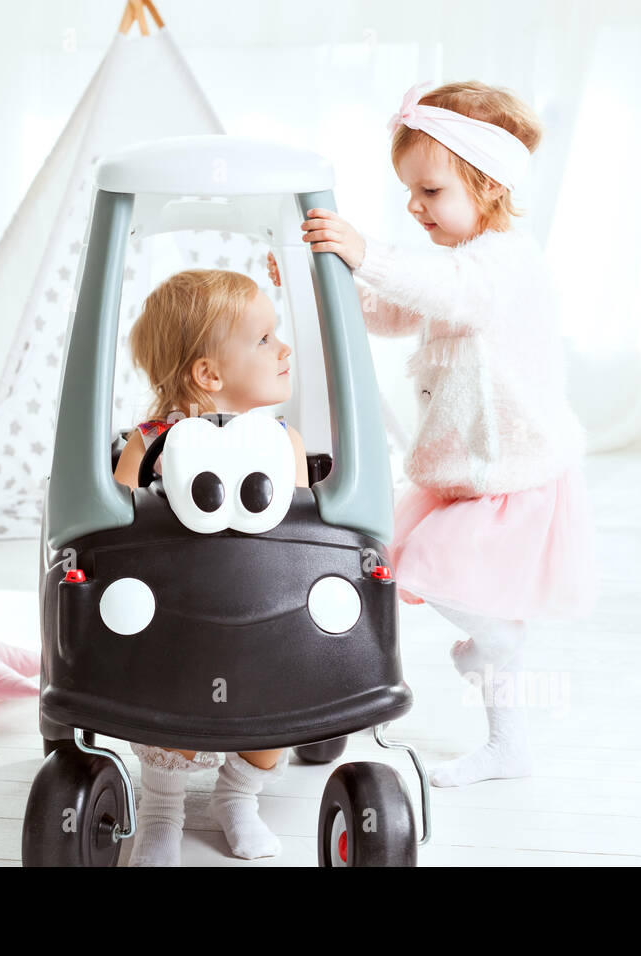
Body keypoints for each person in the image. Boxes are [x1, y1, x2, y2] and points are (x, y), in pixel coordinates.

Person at [268, 80, 598, 788]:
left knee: (423, 569)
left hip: (514, 475)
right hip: (465, 472)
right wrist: (314, 281)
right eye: (410, 193)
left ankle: (494, 644)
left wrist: (366, 252)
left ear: (489, 186)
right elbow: (395, 311)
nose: (416, 207)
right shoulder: (459, 260)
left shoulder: (501, 263)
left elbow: (444, 290)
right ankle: (506, 731)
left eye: (431, 191)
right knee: (410, 565)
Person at [113, 268, 310, 866]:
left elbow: (301, 539)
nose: (284, 349)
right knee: (166, 714)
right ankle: (161, 810)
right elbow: (115, 531)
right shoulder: (148, 443)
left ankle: (237, 798)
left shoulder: (283, 441)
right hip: (172, 614)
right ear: (209, 374)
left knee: (276, 713)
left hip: (262, 610)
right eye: (264, 339)